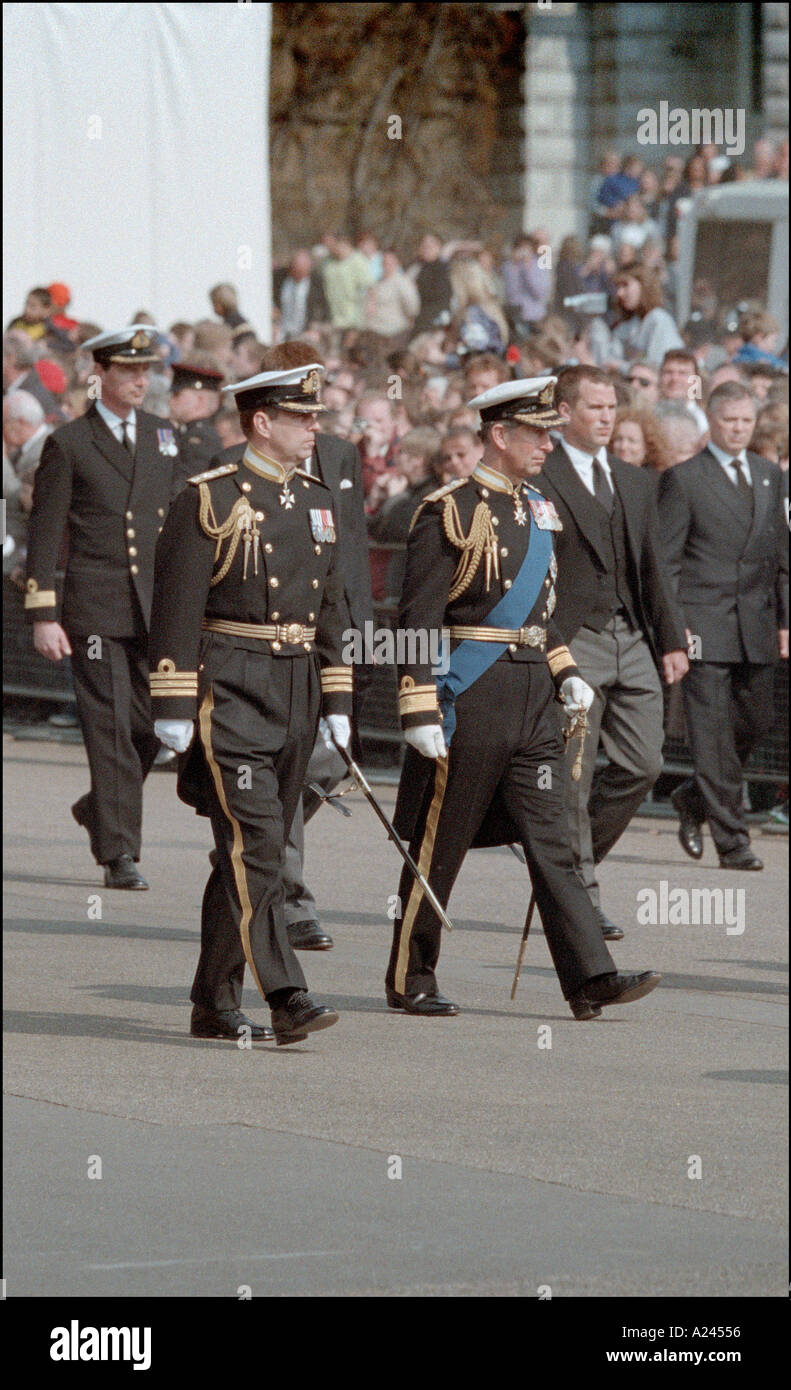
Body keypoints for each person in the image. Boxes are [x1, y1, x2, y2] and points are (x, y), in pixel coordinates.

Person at [386, 374, 661, 1020]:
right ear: (499, 434)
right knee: (439, 844)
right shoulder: (448, 511)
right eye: (536, 433)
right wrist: (418, 703)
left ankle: (590, 974)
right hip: (470, 694)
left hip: (533, 696)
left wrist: (565, 670)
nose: (546, 445)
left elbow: (541, 613)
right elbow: (416, 619)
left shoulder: (538, 507)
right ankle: (410, 973)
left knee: (554, 840)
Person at [148, 362, 352, 1044]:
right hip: (230, 681)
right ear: (262, 422)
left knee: (239, 852)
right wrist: (173, 701)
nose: (315, 426)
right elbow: (176, 602)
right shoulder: (210, 497)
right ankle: (287, 993)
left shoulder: (318, 501)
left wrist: (338, 698)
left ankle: (213, 1002)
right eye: (302, 416)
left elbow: (331, 605)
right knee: (259, 843)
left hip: (295, 683)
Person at [210, 340, 374, 954]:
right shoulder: (231, 466)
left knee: (322, 763)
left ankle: (267, 850)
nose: (312, 410)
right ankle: (292, 898)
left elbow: (347, 548)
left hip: (323, 634)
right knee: (283, 764)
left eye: (317, 391)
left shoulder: (339, 455)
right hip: (258, 646)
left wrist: (356, 625)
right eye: (300, 395)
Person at [24, 325, 184, 888]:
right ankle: (120, 853)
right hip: (97, 607)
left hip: (156, 606)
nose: (142, 380)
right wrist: (44, 614)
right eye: (129, 371)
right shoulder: (69, 443)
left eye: (147, 371)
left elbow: (180, 521)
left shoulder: (165, 435)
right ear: (101, 375)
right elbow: (45, 535)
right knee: (111, 728)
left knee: (149, 731)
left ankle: (100, 809)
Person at [537, 366, 689, 938]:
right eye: (595, 407)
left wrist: (671, 638)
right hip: (575, 638)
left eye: (611, 408)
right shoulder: (543, 476)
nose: (606, 417)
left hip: (633, 638)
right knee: (573, 777)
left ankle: (562, 864)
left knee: (643, 763)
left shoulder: (635, 480)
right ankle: (579, 894)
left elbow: (654, 567)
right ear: (565, 412)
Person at [658, 382, 789, 869]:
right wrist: (676, 630)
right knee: (711, 737)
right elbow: (667, 563)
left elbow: (781, 555)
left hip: (756, 623)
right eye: (730, 419)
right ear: (712, 420)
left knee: (756, 723)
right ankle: (733, 842)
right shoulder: (684, 478)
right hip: (702, 627)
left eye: (746, 420)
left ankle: (694, 797)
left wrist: (785, 619)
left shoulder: (769, 475)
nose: (739, 428)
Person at [610, 265, 683, 367]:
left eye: (625, 285)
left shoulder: (658, 319)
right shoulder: (625, 326)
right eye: (617, 287)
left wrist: (620, 367)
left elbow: (656, 366)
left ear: (644, 285)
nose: (619, 293)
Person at [168, 356, 225, 479]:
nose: (171, 400)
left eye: (177, 394)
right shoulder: (191, 433)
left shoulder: (200, 439)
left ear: (199, 400)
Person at [278, 249, 330, 338]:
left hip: (305, 331)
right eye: (296, 268)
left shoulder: (316, 283)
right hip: (283, 330)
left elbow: (322, 309)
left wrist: (315, 327)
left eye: (302, 269)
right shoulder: (280, 278)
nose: (299, 272)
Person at [410, 233, 453, 334]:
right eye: (423, 246)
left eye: (430, 246)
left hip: (437, 321)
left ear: (439, 248)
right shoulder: (419, 268)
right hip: (422, 320)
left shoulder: (443, 269)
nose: (426, 249)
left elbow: (439, 296)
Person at [611, 406, 673, 472]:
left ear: (648, 446)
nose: (623, 446)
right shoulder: (604, 476)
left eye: (632, 441)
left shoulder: (656, 480)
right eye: (618, 439)